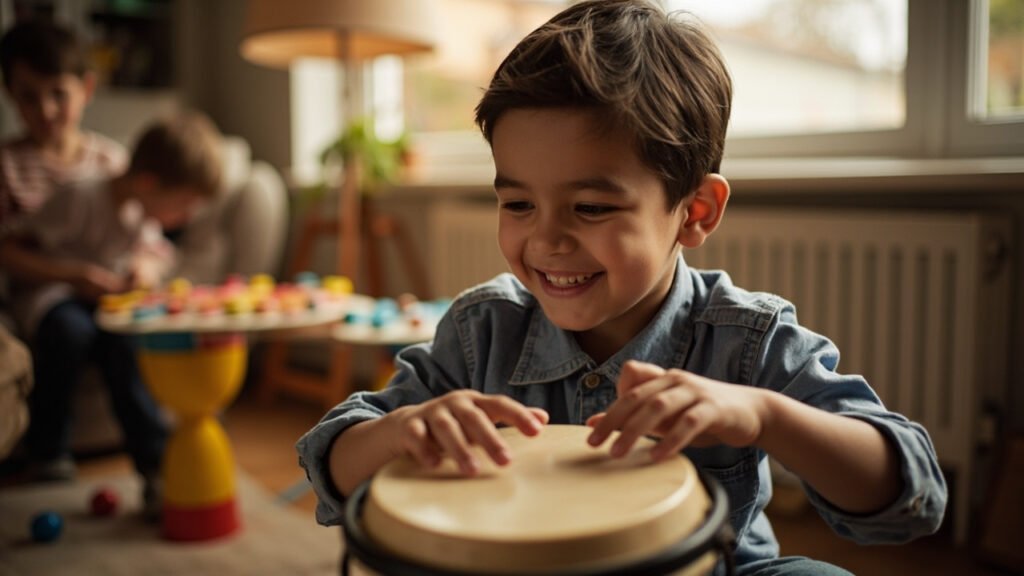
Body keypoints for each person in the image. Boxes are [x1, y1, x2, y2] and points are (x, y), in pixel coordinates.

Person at [296, 1, 947, 574]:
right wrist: (400, 432)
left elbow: (911, 494)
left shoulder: (749, 342)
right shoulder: (480, 332)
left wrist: (763, 415)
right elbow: (334, 463)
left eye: (590, 208)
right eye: (518, 205)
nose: (547, 241)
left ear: (695, 213)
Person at [0, 110, 222, 520]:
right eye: (184, 204)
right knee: (69, 332)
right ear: (150, 183)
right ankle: (48, 454)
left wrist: (145, 268)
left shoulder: (141, 209)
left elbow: (155, 253)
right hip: (53, 297)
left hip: (105, 304)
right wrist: (75, 275)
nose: (187, 217)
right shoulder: (79, 197)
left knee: (125, 343)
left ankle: (153, 463)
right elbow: (12, 250)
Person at [0, 19, 127, 232]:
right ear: (10, 93)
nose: (45, 111)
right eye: (29, 97)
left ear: (87, 88)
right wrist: (74, 269)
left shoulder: (111, 163)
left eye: (59, 94)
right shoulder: (5, 166)